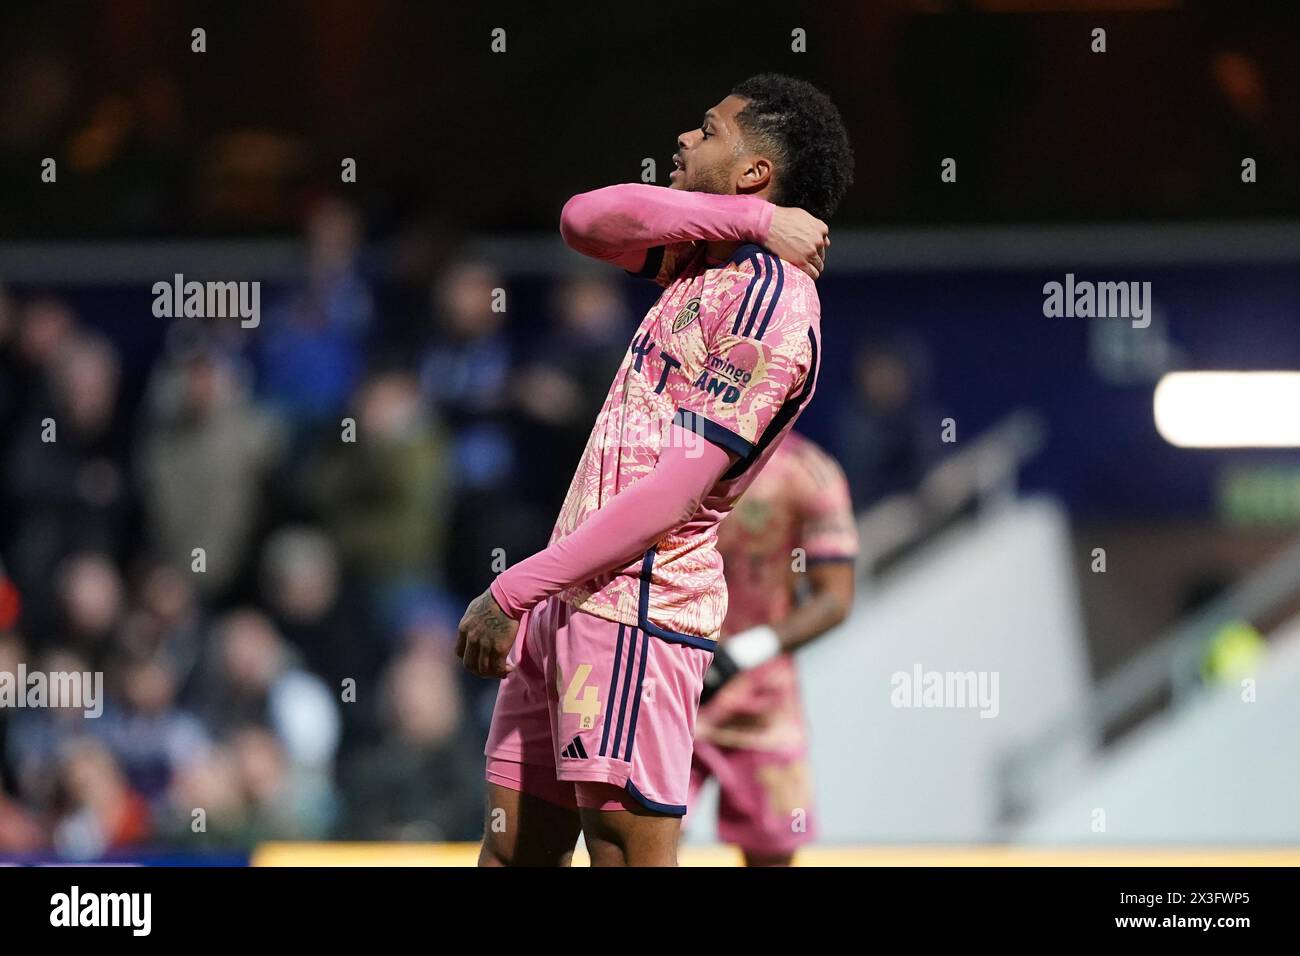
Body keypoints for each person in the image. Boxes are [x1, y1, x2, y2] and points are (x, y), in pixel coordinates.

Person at [456, 73, 854, 866]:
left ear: (754, 166)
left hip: (637, 609)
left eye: (708, 130)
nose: (683, 138)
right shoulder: (710, 252)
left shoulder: (771, 302)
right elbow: (582, 219)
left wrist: (515, 587)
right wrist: (754, 217)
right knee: (509, 857)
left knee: (625, 857)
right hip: (571, 597)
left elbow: (676, 489)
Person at [685, 431, 858, 866]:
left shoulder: (808, 472)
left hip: (763, 705)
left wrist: (742, 654)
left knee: (773, 854)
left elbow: (835, 598)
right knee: (637, 849)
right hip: (669, 690)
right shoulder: (673, 450)